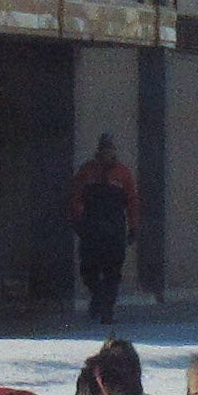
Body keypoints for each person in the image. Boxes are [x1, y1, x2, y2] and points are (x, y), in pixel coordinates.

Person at [68, 134, 139, 326]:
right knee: (88, 270)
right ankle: (98, 297)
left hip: (114, 230)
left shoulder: (123, 173)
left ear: (113, 151)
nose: (107, 153)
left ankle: (107, 312)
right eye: (104, 149)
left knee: (112, 273)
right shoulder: (87, 171)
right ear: (99, 150)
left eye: (110, 149)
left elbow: (132, 201)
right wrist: (78, 221)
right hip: (91, 229)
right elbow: (76, 197)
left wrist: (133, 226)